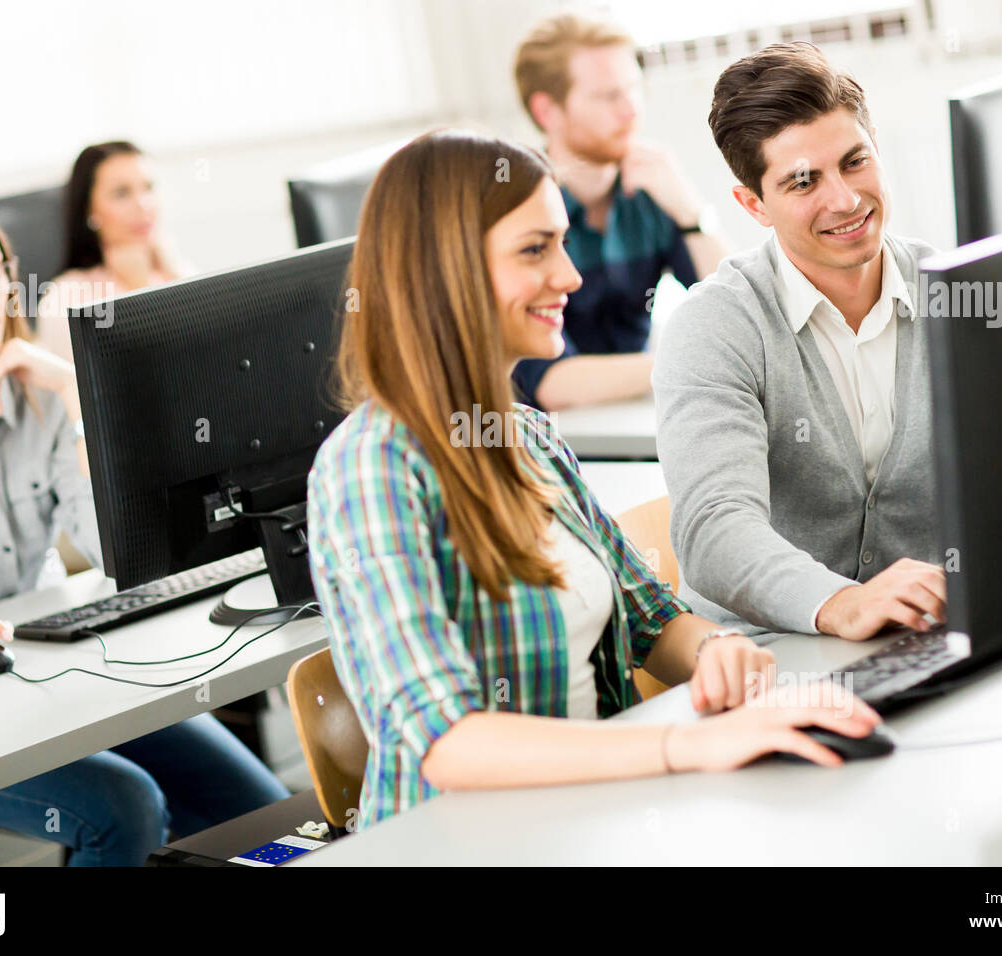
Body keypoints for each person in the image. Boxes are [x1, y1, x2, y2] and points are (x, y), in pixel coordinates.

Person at [306, 130, 880, 829]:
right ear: (443, 272)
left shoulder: (528, 437)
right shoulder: (371, 467)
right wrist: (686, 745)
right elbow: (446, 742)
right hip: (468, 843)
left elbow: (650, 622)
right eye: (534, 249)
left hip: (596, 818)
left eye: (563, 243)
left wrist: (719, 655)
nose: (571, 277)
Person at [0, 189, 287, 865]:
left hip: (50, 680)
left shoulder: (37, 396)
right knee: (125, 809)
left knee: (265, 813)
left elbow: (116, 551)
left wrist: (73, 393)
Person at [654, 43, 946, 643]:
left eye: (855, 161)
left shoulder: (958, 293)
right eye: (802, 182)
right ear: (753, 204)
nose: (843, 199)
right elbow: (715, 530)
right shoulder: (715, 327)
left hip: (926, 638)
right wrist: (843, 603)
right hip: (771, 656)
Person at [509, 14, 731, 411]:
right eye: (608, 96)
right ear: (547, 112)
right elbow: (552, 383)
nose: (630, 110)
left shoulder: (651, 191)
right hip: (550, 439)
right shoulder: (512, 211)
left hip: (637, 412)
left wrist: (689, 212)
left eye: (633, 89)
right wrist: (692, 362)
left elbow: (733, 313)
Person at [36, 141, 190, 363]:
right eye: (121, 194)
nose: (143, 204)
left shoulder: (174, 269)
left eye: (148, 188)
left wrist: (173, 272)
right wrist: (140, 287)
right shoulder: (66, 299)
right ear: (88, 209)